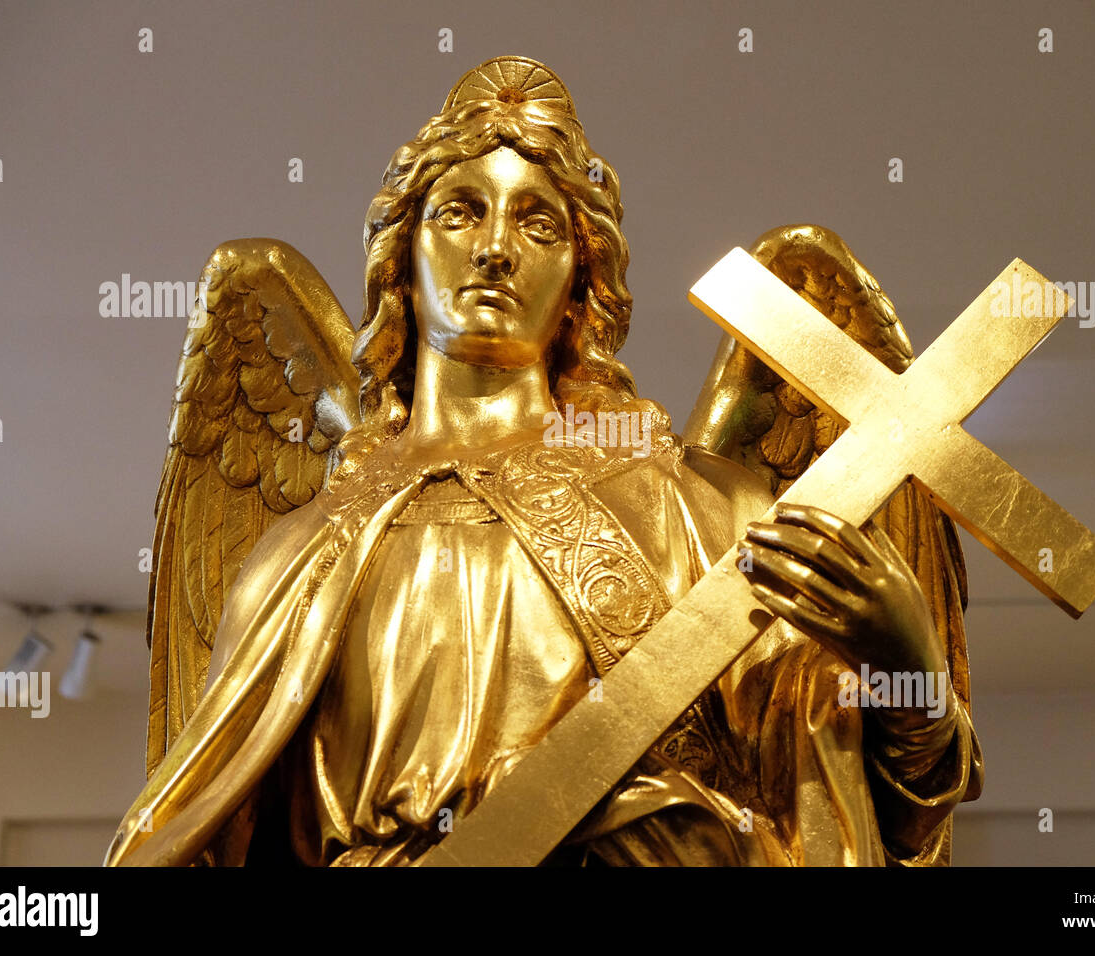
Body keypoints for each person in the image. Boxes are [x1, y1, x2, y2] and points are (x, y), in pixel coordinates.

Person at [106, 59, 979, 867]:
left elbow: (852, 813)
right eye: (459, 211)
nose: (494, 248)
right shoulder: (303, 553)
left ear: (580, 285)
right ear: (402, 263)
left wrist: (910, 673)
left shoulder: (709, 512)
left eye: (537, 223)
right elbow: (202, 834)